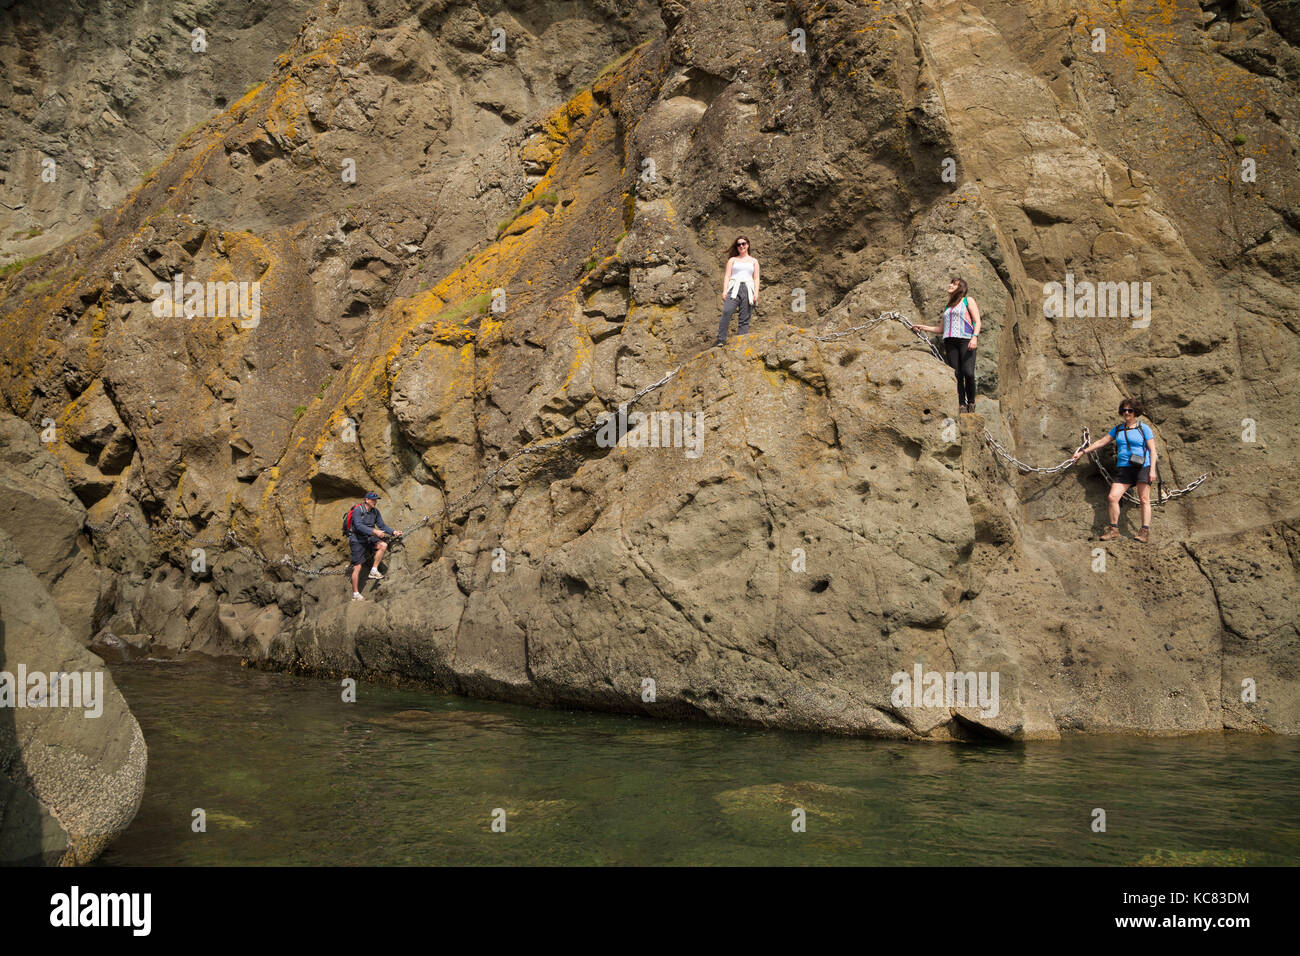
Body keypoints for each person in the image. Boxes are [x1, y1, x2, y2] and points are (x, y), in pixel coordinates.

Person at [1072, 398, 1158, 543]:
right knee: (1113, 497)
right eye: (1124, 410)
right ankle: (1113, 530)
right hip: (1124, 467)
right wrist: (1082, 452)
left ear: (1135, 412)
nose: (1126, 413)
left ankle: (1144, 531)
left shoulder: (1144, 428)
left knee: (1144, 499)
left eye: (1130, 410)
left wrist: (1152, 470)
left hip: (1143, 466)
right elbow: (1101, 442)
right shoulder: (1118, 429)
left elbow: (1152, 450)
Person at [913, 277, 981, 413]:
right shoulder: (948, 307)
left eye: (954, 284)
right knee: (956, 374)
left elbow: (977, 321)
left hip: (966, 339)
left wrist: (974, 337)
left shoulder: (968, 300)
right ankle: (961, 404)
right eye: (951, 283)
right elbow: (940, 329)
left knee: (968, 372)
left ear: (960, 287)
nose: (950, 285)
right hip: (949, 341)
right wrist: (922, 327)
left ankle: (971, 402)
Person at [348, 491, 401, 600]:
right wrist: (374, 531)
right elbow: (358, 526)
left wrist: (393, 532)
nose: (375, 502)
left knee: (383, 545)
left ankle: (374, 570)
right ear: (366, 500)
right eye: (373, 500)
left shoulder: (375, 512)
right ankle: (356, 594)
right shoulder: (358, 510)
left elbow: (382, 525)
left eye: (376, 500)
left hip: (368, 538)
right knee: (357, 567)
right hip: (357, 540)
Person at [713, 236, 760, 347]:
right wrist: (725, 291)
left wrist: (756, 293)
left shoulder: (754, 261)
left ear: (748, 244)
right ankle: (721, 339)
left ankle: (740, 341)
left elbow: (756, 278)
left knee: (745, 317)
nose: (741, 246)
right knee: (727, 311)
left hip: (748, 289)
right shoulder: (732, 260)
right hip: (734, 287)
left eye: (743, 243)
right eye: (738, 245)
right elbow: (727, 276)